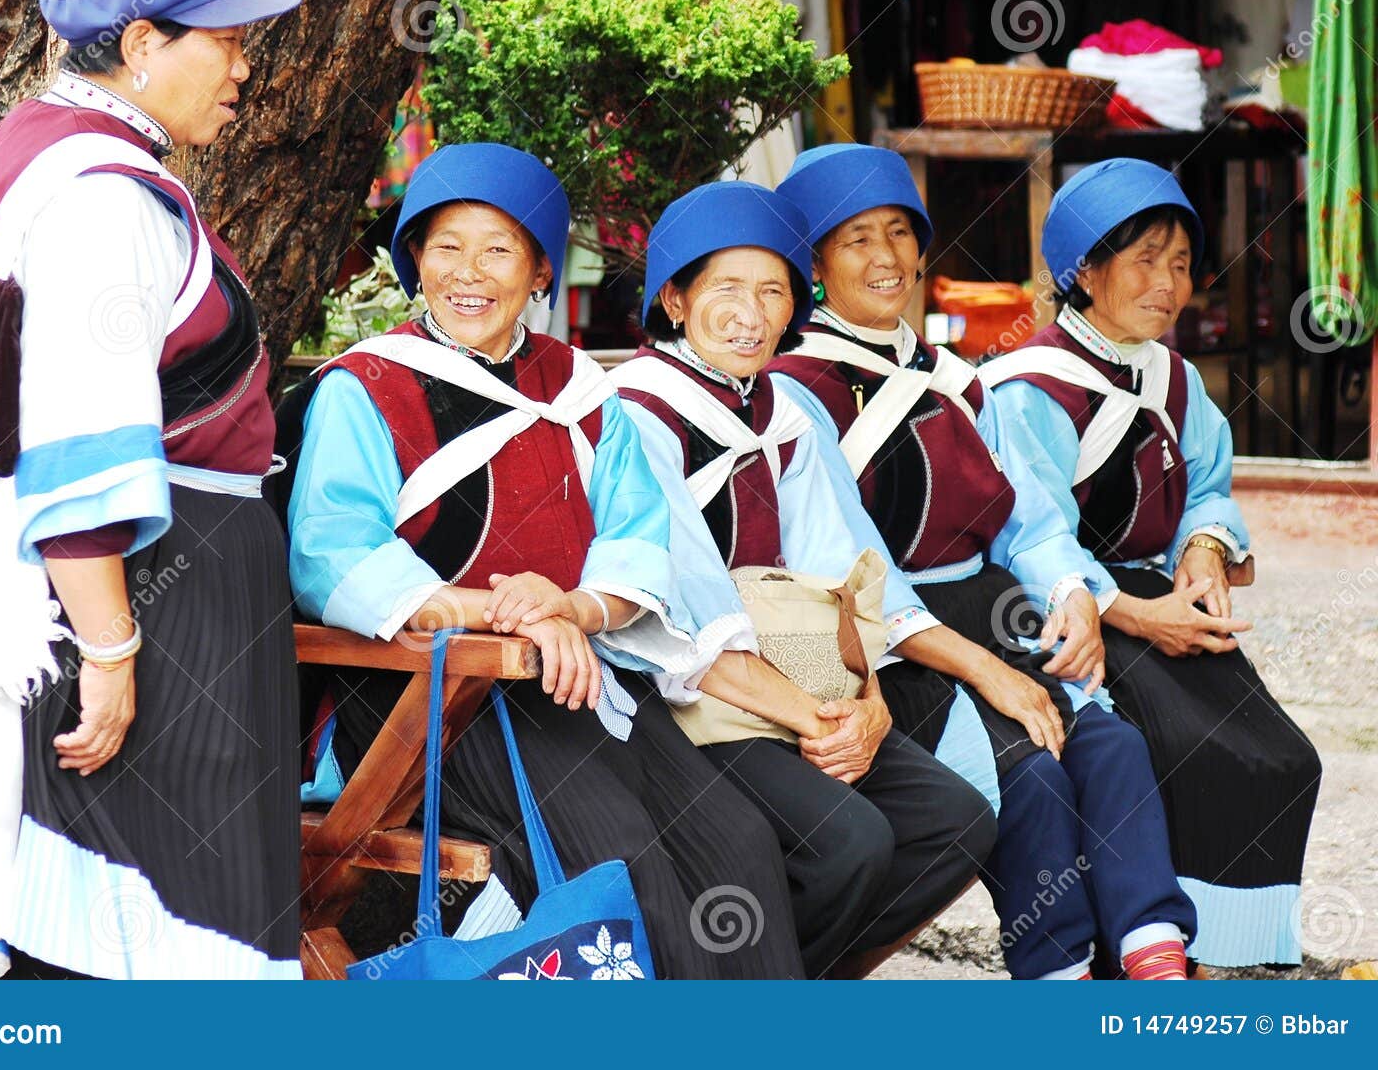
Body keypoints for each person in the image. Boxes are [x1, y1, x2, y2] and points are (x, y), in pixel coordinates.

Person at [0, 0, 305, 979]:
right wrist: (114, 655)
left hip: (85, 581)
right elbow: (78, 437)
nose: (246, 70)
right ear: (140, 45)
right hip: (152, 590)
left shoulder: (30, 151)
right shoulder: (103, 198)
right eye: (227, 42)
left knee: (94, 913)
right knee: (174, 928)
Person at [284, 142, 806, 979]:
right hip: (429, 695)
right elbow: (332, 552)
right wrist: (510, 614)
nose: (469, 272)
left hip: (576, 677)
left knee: (739, 843)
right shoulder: (367, 388)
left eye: (498, 249)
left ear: (539, 272)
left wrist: (572, 609)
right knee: (622, 859)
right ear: (415, 260)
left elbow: (637, 539)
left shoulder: (577, 387)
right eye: (446, 246)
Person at [771, 143, 1198, 980]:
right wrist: (987, 672)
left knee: (1109, 746)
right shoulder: (794, 392)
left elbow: (1029, 520)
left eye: (900, 233)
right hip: (891, 644)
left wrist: (1072, 592)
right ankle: (1055, 972)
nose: (886, 256)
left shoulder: (961, 381)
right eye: (857, 238)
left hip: (993, 607)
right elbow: (849, 563)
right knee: (1029, 775)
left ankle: (1154, 957)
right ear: (814, 263)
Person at [610, 181, 996, 976]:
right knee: (850, 843)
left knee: (953, 821)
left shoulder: (781, 412)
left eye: (772, 291)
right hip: (684, 700)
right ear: (674, 301)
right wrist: (823, 724)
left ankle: (785, 980)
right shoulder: (638, 415)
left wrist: (871, 709)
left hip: (795, 684)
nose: (750, 315)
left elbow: (839, 577)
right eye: (726, 289)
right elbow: (689, 622)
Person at [980, 158, 1322, 968]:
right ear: (1084, 272)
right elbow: (1032, 537)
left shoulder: (1174, 377)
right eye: (1145, 260)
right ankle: (1143, 945)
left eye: (1181, 263)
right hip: (1063, 608)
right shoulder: (1027, 389)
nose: (1169, 284)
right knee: (1180, 750)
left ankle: (1205, 944)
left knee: (1283, 758)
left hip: (1160, 600)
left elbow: (1207, 484)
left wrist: (1203, 551)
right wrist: (1131, 615)